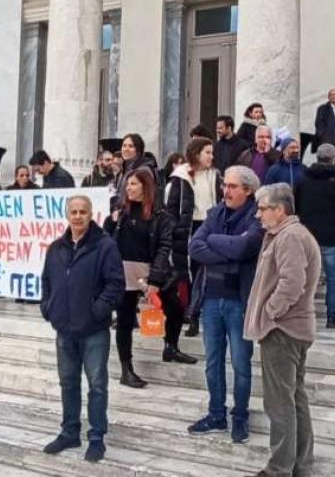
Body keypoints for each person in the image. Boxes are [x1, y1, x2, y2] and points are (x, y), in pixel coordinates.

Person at [40, 195, 125, 463]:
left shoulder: (105, 246)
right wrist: (48, 308)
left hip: (93, 330)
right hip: (64, 328)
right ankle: (69, 432)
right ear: (67, 215)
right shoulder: (56, 248)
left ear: (91, 215)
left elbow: (116, 285)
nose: (78, 216)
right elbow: (47, 282)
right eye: (73, 212)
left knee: (97, 385)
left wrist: (97, 310)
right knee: (68, 383)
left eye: (83, 212)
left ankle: (97, 437)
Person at [244, 183, 321, 477]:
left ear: (280, 209)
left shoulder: (289, 236)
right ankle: (301, 465)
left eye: (263, 208)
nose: (258, 214)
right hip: (293, 329)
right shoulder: (289, 234)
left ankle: (279, 468)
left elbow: (292, 283)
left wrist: (270, 313)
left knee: (279, 403)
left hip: (283, 331)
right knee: (294, 398)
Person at [187, 166, 264, 445]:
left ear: (248, 190)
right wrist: (228, 252)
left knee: (241, 363)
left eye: (232, 187)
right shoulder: (215, 213)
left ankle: (240, 414)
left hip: (239, 301)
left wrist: (215, 243)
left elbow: (246, 249)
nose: (226, 191)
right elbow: (195, 246)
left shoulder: (257, 216)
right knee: (213, 362)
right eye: (225, 185)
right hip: (211, 299)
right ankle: (216, 413)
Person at [106, 169, 195, 387]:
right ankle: (126, 369)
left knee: (175, 308)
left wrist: (155, 280)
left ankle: (170, 347)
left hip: (150, 272)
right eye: (128, 185)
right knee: (125, 321)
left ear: (146, 187)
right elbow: (106, 241)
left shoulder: (160, 216)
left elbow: (164, 247)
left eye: (134, 184)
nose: (129, 188)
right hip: (124, 272)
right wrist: (111, 222)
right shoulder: (119, 213)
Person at [166, 137, 223, 338]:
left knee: (206, 273)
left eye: (212, 152)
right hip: (190, 228)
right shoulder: (181, 177)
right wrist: (176, 229)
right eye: (207, 152)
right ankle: (192, 316)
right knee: (190, 274)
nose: (211, 156)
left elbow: (220, 200)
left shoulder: (214, 176)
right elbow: (171, 208)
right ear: (197, 153)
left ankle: (200, 314)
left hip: (210, 227)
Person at [295, 144, 335, 328]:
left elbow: (296, 204)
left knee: (305, 278)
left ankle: (302, 313)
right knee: (333, 278)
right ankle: (333, 316)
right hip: (332, 235)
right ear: (334, 158)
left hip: (307, 234)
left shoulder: (302, 179)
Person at [114, 133, 157, 206]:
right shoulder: (123, 170)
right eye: (124, 146)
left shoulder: (144, 170)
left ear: (138, 150)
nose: (126, 149)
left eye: (131, 146)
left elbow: (146, 194)